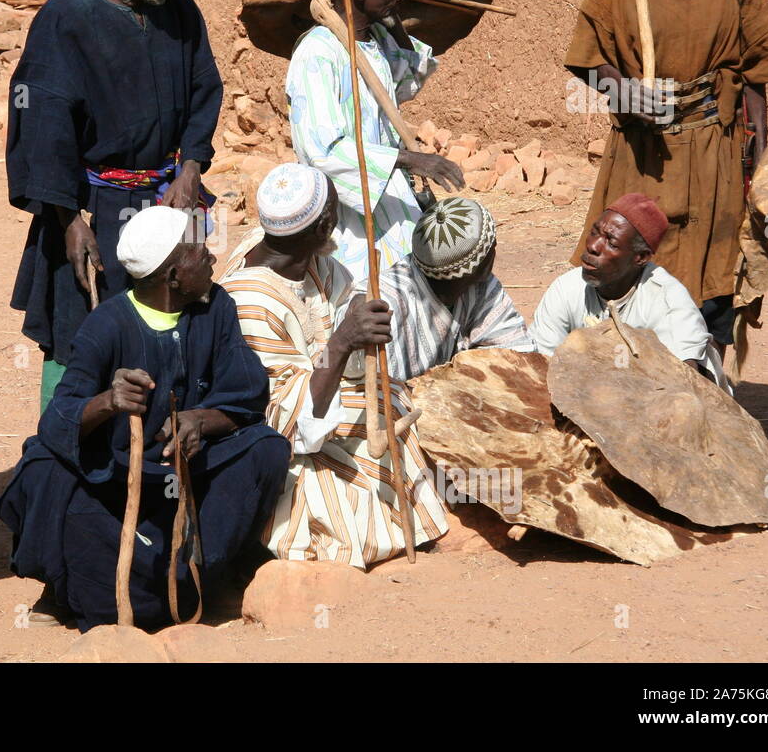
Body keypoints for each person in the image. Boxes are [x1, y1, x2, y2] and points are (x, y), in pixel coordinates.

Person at [0, 206, 289, 630]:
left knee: (265, 449)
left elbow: (247, 393)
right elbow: (58, 422)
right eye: (198, 251)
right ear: (171, 276)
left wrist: (200, 420)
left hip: (189, 476)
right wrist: (108, 402)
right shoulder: (105, 326)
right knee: (42, 467)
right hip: (117, 482)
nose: (211, 257)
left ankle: (211, 571)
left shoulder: (216, 306)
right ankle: (61, 588)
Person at [6, 0, 222, 410]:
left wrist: (191, 165)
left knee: (179, 326)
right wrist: (67, 221)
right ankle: (64, 460)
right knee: (83, 337)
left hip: (171, 203)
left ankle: (160, 458)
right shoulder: (65, 21)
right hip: (90, 211)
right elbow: (42, 128)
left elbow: (204, 90)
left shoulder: (181, 11)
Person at [565, 0, 768, 355]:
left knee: (715, 268)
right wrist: (624, 93)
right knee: (630, 264)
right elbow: (586, 58)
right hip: (642, 150)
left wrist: (764, 165)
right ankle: (625, 373)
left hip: (717, 151)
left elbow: (758, 73)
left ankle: (703, 379)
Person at [221, 164, 449, 566]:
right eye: (335, 211)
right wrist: (344, 339)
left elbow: (342, 303)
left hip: (330, 401)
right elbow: (289, 422)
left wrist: (360, 316)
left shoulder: (298, 254)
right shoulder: (251, 302)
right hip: (282, 443)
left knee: (394, 398)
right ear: (323, 226)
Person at [287, 0, 463, 286]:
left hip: (391, 198)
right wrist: (410, 160)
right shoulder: (318, 54)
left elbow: (409, 78)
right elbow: (322, 151)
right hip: (349, 216)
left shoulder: (375, 42)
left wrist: (394, 23)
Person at [534, 194, 731, 390]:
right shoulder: (566, 289)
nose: (593, 246)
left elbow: (686, 387)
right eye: (594, 232)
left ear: (641, 257)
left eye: (611, 243)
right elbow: (544, 365)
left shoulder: (668, 301)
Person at [377, 196, 535, 380]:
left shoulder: (481, 287)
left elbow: (519, 357)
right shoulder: (389, 303)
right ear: (483, 267)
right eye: (493, 247)